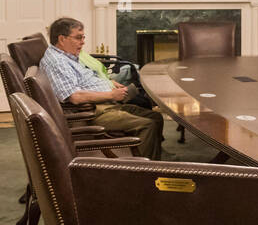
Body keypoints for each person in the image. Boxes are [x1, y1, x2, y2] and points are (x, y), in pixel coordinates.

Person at [38, 17, 165, 159]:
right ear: (62, 39)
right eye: (78, 37)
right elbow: (75, 96)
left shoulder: (67, 56)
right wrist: (112, 95)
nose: (83, 42)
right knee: (148, 125)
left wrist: (110, 83)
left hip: (104, 105)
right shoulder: (57, 62)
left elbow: (85, 80)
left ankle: (154, 156)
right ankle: (141, 171)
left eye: (83, 37)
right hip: (93, 113)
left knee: (156, 117)